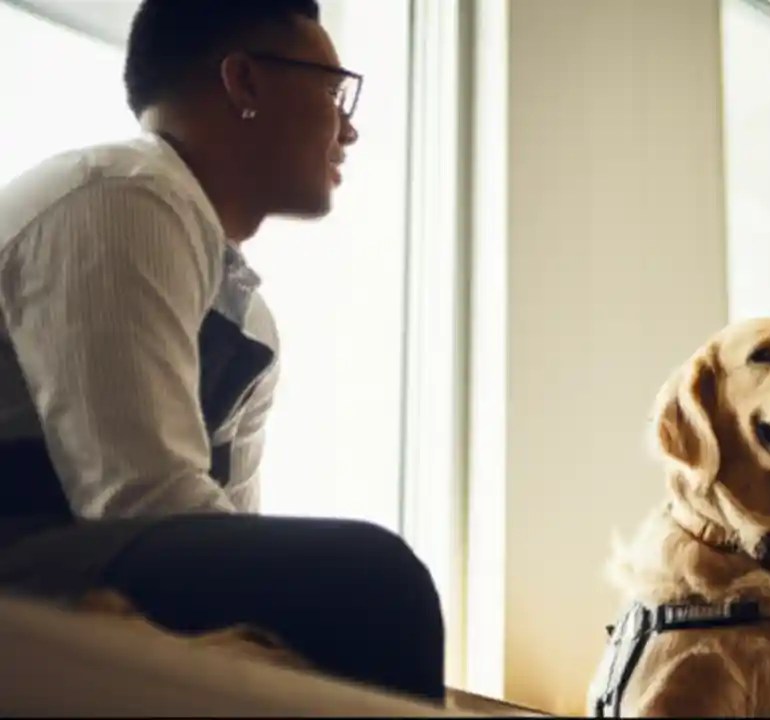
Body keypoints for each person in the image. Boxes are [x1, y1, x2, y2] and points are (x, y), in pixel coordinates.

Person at [0, 0, 445, 701]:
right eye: (335, 92)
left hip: (79, 552)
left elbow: (223, 545)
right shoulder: (123, 196)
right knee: (372, 581)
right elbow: (142, 502)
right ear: (244, 82)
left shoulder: (250, 324)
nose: (350, 129)